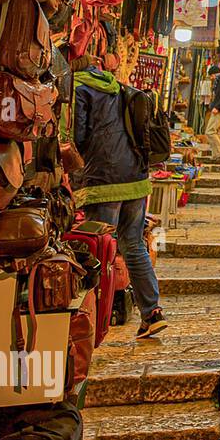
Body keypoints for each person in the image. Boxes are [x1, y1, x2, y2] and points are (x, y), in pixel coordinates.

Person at [72, 60, 167, 338]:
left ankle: (92, 320)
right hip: (135, 177)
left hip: (103, 179)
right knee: (133, 244)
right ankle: (152, 312)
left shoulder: (79, 87)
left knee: (98, 250)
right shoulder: (117, 87)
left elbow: (77, 135)